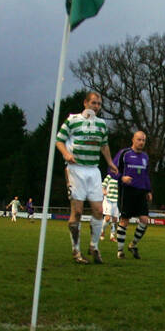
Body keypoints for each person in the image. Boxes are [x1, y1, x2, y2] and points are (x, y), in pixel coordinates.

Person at [55, 91, 116, 264]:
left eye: (99, 104)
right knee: (78, 211)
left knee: (98, 210)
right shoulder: (72, 120)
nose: (96, 107)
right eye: (93, 103)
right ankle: (76, 251)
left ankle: (94, 247)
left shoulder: (101, 124)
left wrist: (110, 162)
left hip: (93, 171)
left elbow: (104, 145)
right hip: (76, 170)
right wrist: (66, 154)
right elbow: (59, 140)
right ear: (85, 103)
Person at [114, 130, 154, 259]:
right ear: (133, 139)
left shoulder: (145, 157)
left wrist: (148, 190)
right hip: (127, 191)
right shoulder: (124, 154)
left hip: (141, 192)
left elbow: (146, 175)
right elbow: (112, 169)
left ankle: (133, 245)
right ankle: (120, 251)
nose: (141, 142)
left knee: (144, 220)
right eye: (139, 139)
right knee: (125, 220)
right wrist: (122, 178)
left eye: (143, 140)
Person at [101, 170, 120, 242]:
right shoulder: (109, 177)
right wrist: (104, 191)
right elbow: (103, 185)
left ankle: (112, 236)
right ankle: (102, 232)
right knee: (108, 218)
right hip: (108, 200)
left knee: (115, 219)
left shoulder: (119, 178)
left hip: (115, 201)